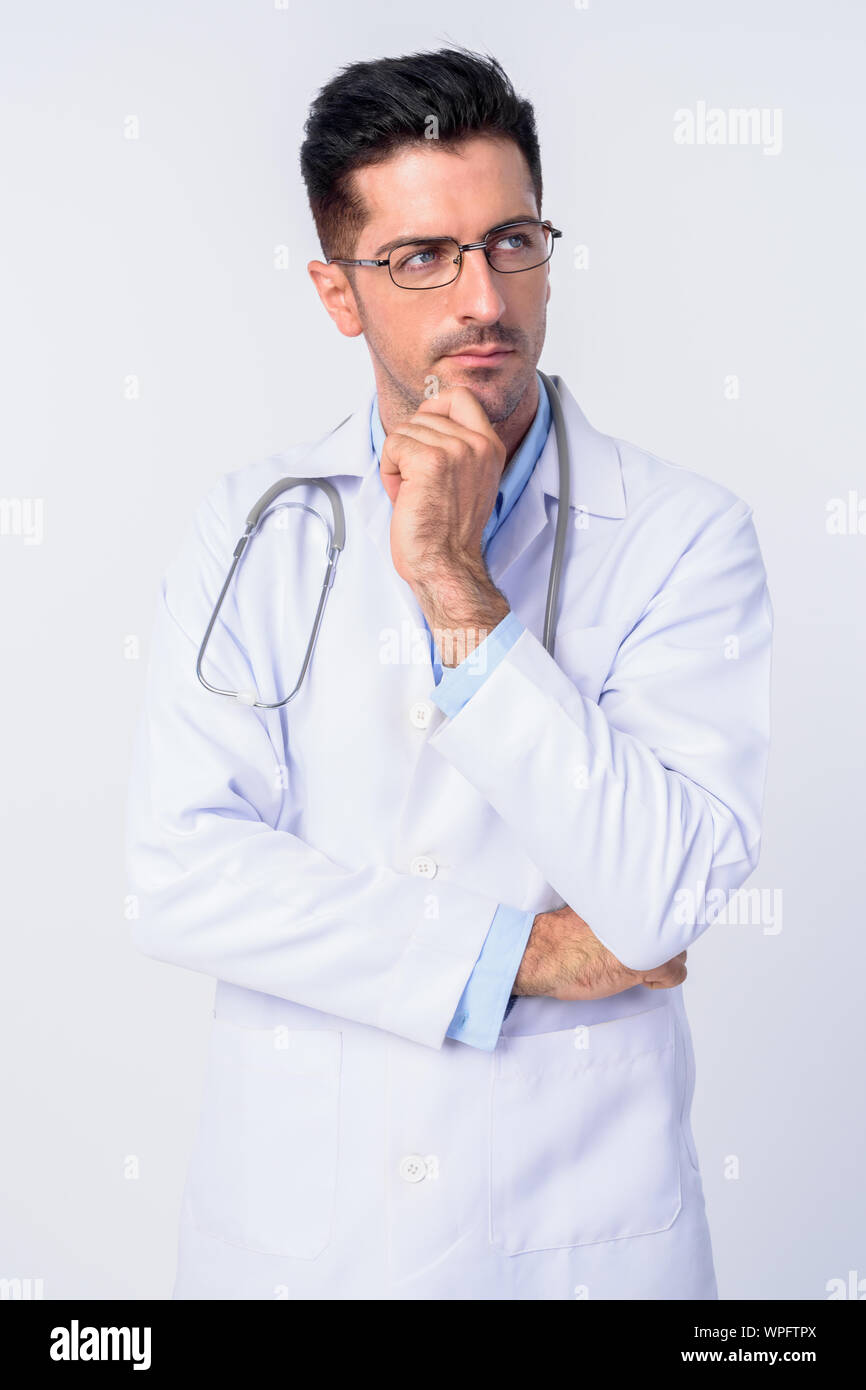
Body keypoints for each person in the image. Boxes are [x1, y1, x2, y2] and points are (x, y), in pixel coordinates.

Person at [125, 46, 773, 1301]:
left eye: (509, 240)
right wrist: (512, 954)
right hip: (302, 1245)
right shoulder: (255, 524)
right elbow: (180, 875)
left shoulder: (685, 533)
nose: (482, 295)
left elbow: (657, 900)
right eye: (421, 257)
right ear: (337, 291)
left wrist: (454, 588)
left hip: (578, 1239)